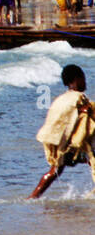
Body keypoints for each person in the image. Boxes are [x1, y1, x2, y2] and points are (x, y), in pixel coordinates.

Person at [29, 64, 95, 198]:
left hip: (61, 140)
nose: (85, 82)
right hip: (73, 142)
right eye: (83, 78)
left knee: (55, 170)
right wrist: (84, 110)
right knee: (92, 158)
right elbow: (84, 113)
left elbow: (60, 119)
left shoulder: (60, 100)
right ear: (77, 79)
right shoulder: (77, 97)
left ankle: (33, 197)